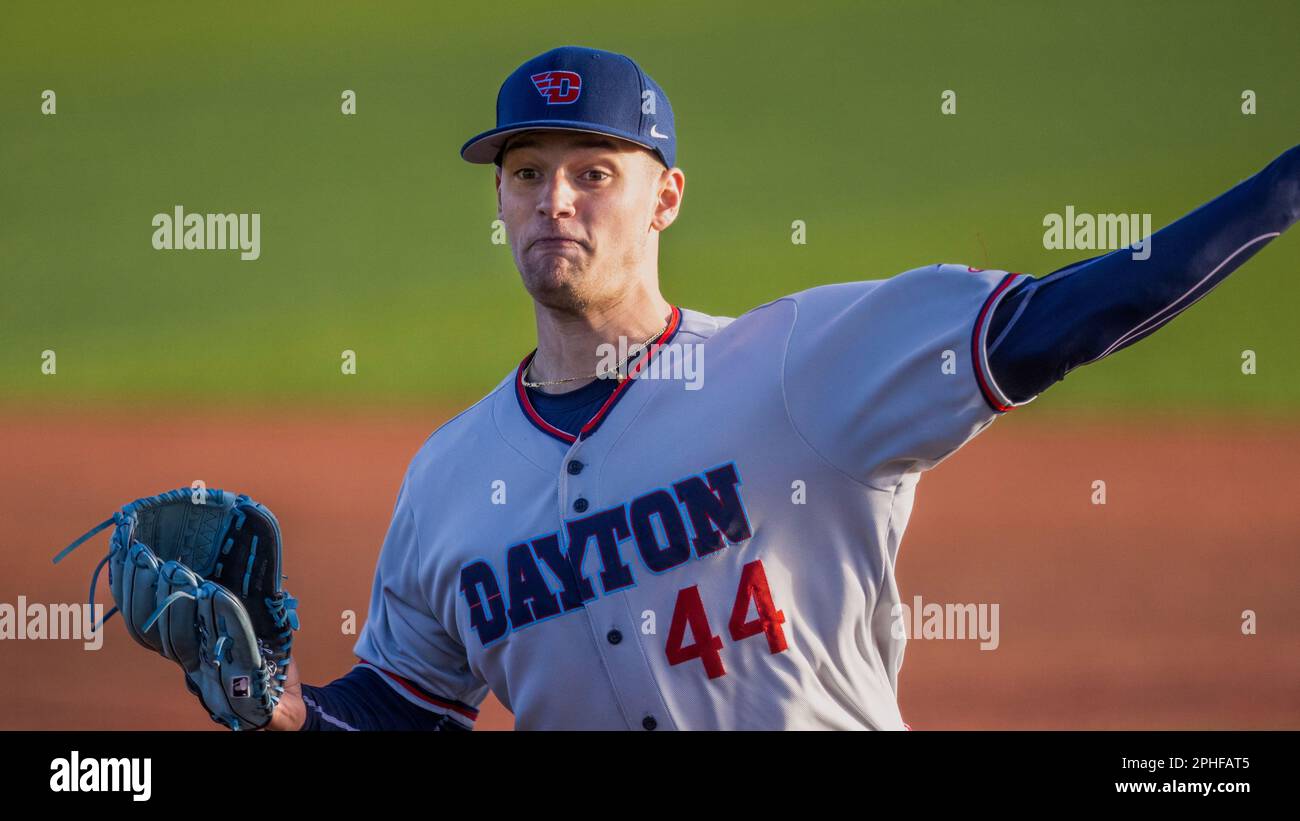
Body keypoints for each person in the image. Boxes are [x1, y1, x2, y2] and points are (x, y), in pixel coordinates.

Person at [267, 46, 1299, 731]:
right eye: (527, 172)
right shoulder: (448, 479)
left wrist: (1279, 190)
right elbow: (401, 709)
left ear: (664, 196)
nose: (555, 201)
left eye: (594, 172)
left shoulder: (802, 366)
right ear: (497, 198)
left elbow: (1066, 317)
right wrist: (276, 709)